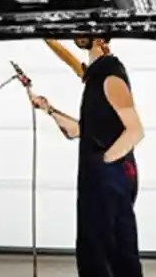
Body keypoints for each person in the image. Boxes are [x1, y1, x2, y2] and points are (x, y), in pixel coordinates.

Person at [30, 35, 144, 277]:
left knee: (115, 248)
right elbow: (79, 131)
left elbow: (135, 131)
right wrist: (49, 109)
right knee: (92, 246)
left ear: (100, 42)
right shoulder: (95, 81)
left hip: (110, 179)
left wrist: (105, 161)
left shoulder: (111, 78)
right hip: (96, 179)